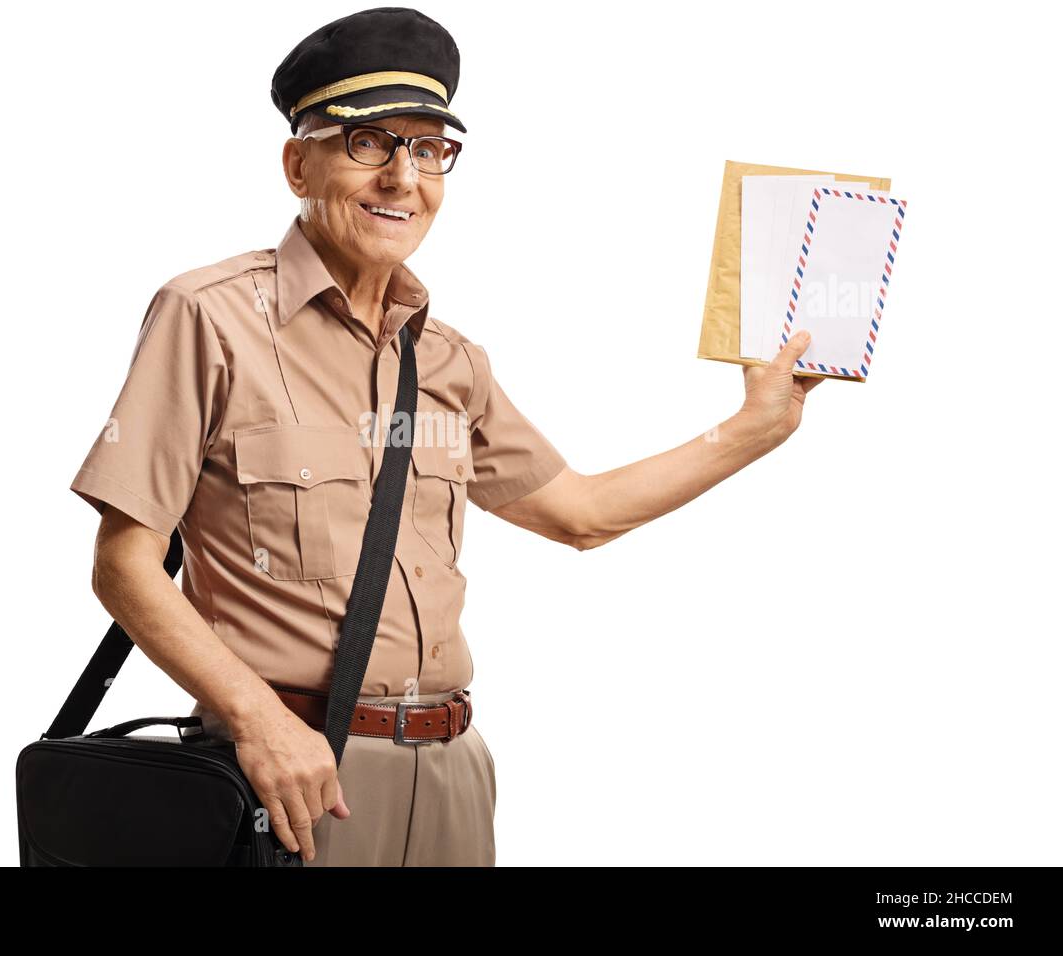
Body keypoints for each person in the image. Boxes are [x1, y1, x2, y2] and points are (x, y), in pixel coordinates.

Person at [70, 6, 821, 867]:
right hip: (296, 774)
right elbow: (123, 562)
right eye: (369, 142)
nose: (403, 176)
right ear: (295, 162)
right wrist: (258, 720)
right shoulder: (209, 318)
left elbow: (583, 513)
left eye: (428, 149)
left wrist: (754, 430)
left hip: (456, 772)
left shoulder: (450, 360)